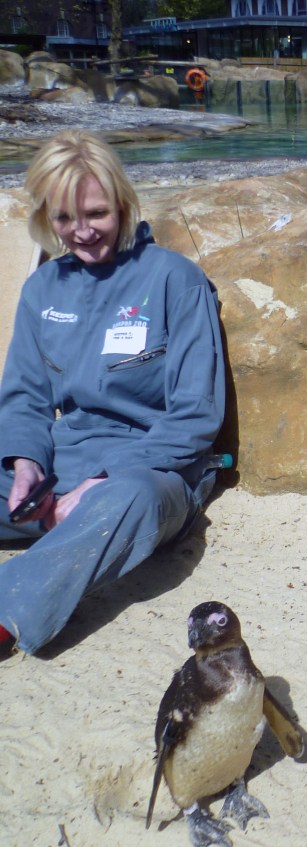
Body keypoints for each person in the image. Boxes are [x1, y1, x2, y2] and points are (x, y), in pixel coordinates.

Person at [0, 130, 226, 656]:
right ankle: (59, 523)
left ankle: (9, 613)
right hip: (59, 464)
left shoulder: (175, 279)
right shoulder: (42, 288)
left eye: (96, 214)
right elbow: (25, 399)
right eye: (63, 219)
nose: (80, 232)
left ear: (123, 204)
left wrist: (98, 484)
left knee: (129, 501)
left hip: (152, 474)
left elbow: (195, 416)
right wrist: (28, 466)